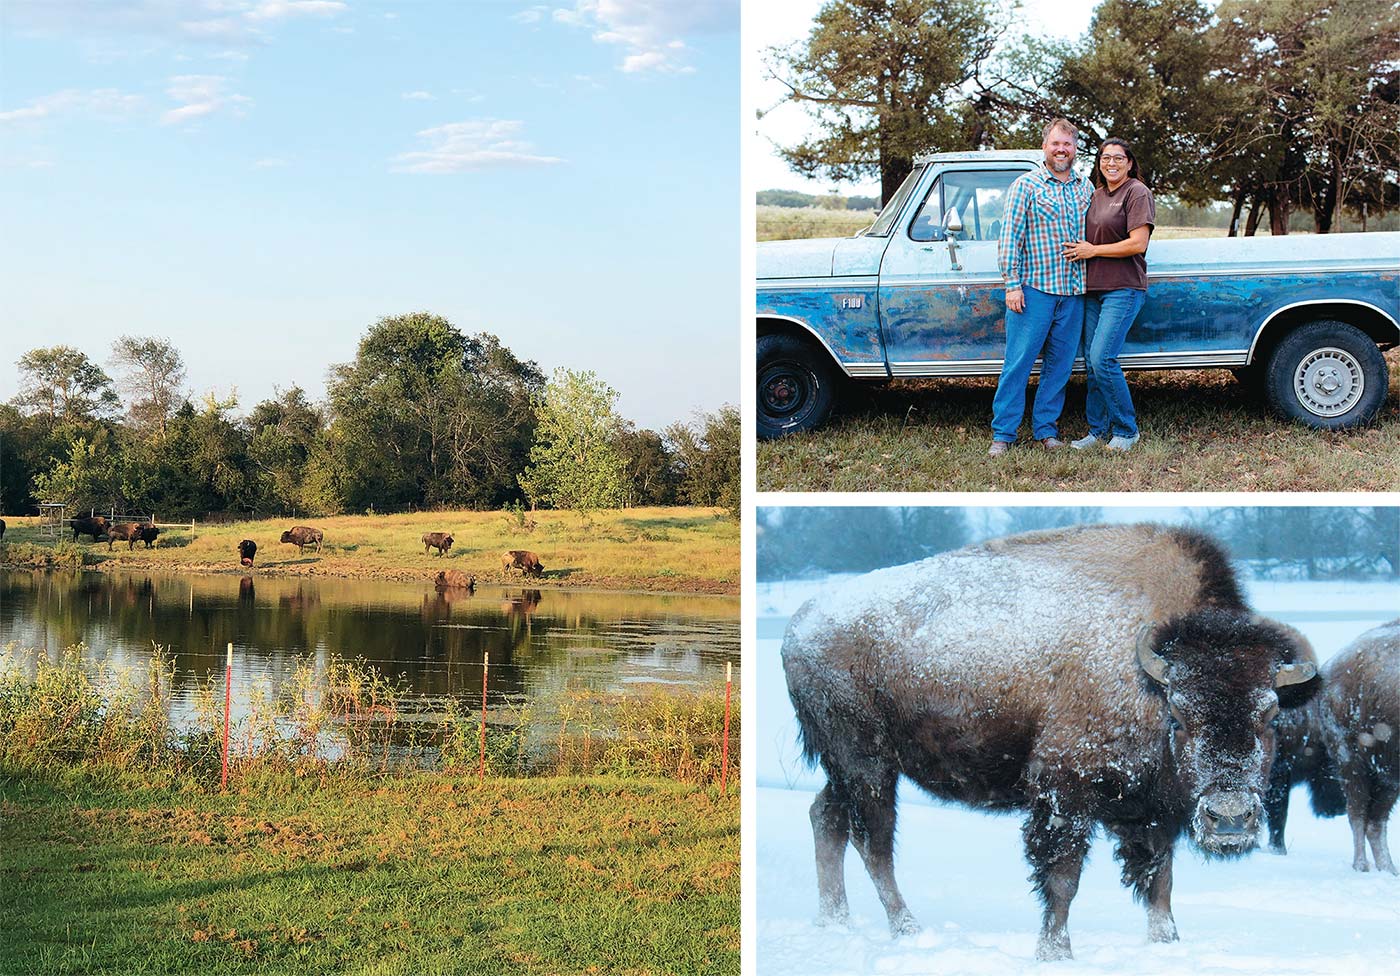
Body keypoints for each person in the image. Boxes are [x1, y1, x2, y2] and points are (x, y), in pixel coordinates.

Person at [989, 118, 1095, 457]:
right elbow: (1010, 238)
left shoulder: (1085, 186)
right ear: (1045, 146)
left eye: (1067, 144)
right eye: (1055, 143)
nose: (1061, 149)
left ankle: (1046, 431)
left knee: (1059, 367)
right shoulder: (1027, 185)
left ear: (1075, 148)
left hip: (1074, 292)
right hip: (1034, 290)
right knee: (1018, 363)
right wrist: (1012, 285)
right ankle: (1003, 434)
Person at [1061, 137, 1155, 452]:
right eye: (1105, 158)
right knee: (1091, 363)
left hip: (1123, 288)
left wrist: (1093, 250)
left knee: (1103, 358)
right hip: (1092, 290)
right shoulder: (1096, 195)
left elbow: (1137, 243)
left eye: (1118, 158)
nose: (1111, 163)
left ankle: (1126, 431)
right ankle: (1098, 431)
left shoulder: (1137, 193)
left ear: (1129, 162)